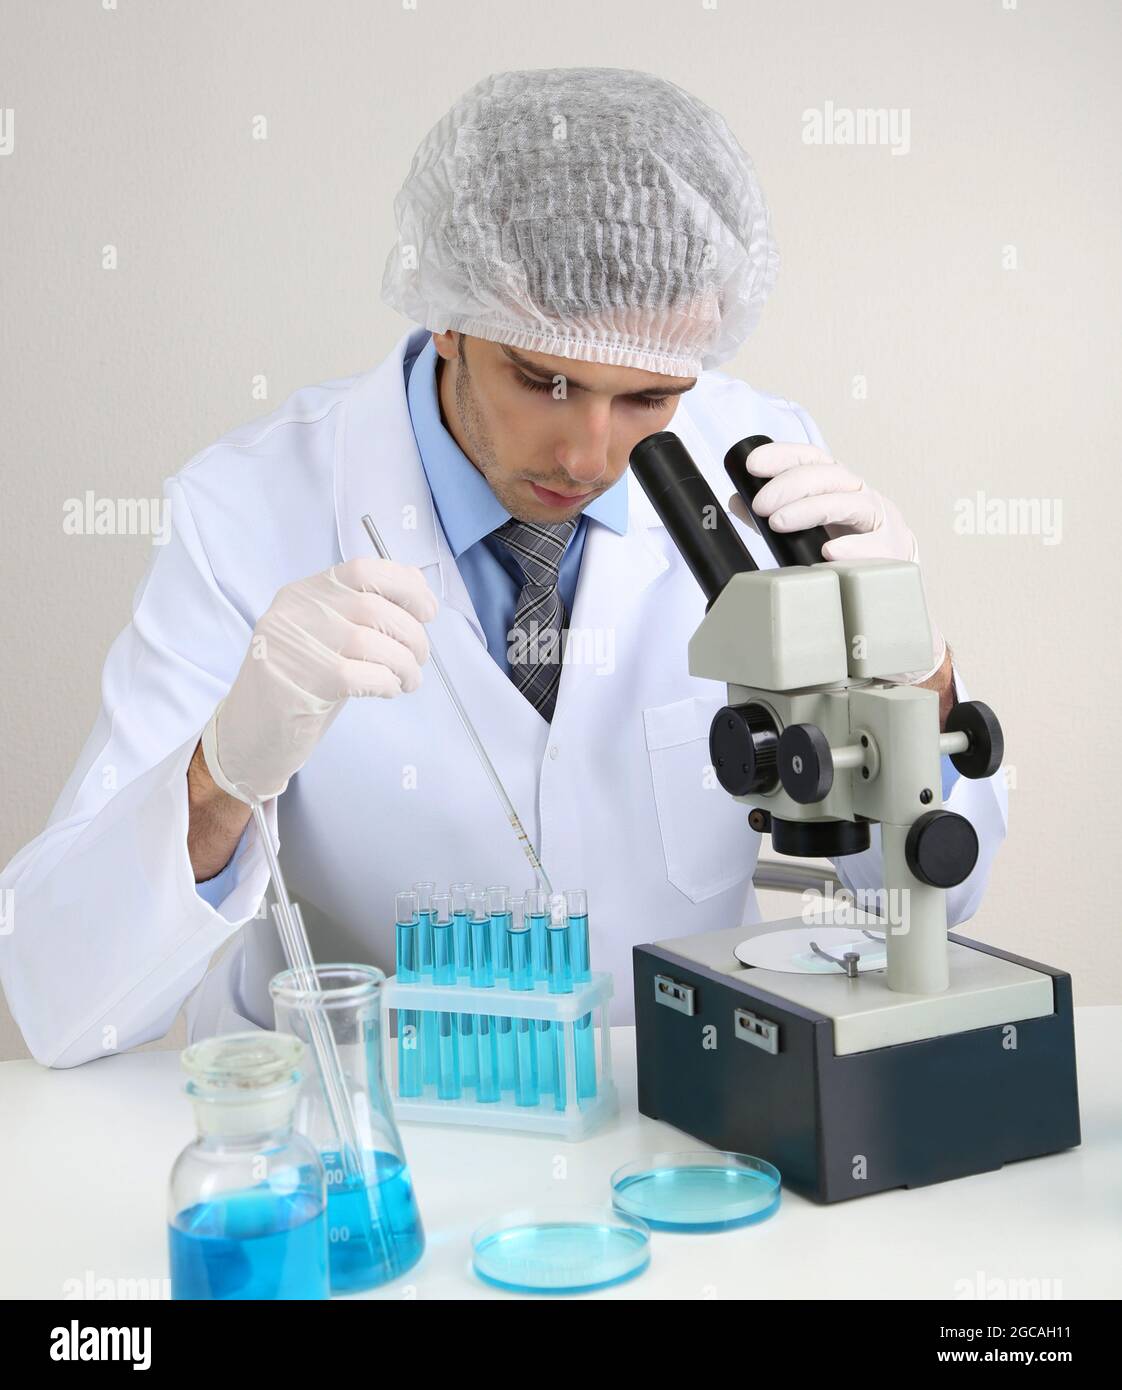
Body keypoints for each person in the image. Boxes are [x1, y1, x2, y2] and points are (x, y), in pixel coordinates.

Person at [0, 68, 1006, 1067]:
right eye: (546, 380)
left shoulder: (767, 468)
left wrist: (916, 684)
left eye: (649, 397)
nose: (587, 454)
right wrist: (220, 778)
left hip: (680, 1123)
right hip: (363, 1130)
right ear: (447, 316)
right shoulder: (245, 513)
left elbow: (935, 899)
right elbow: (62, 996)